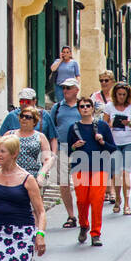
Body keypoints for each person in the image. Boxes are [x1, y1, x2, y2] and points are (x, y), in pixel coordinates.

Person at [68, 96, 116, 246]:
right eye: (82, 106)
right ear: (78, 109)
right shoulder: (73, 128)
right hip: (80, 167)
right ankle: (84, 225)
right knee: (82, 200)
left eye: (88, 106)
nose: (85, 109)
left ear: (93, 108)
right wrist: (74, 146)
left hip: (99, 167)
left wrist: (102, 142)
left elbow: (113, 148)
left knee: (97, 201)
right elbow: (68, 150)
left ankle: (96, 233)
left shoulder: (102, 126)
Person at [102, 81, 131, 215]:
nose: (122, 97)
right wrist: (111, 124)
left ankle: (127, 204)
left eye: (124, 94)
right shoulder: (109, 107)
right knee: (117, 174)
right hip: (114, 143)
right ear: (115, 94)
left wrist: (129, 123)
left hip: (129, 142)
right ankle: (118, 198)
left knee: (125, 172)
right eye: (119, 94)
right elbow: (103, 126)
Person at [51, 79, 84, 228]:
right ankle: (71, 216)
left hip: (80, 150)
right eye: (64, 88)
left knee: (80, 184)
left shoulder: (82, 106)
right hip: (61, 148)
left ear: (76, 90)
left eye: (69, 88)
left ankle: (83, 214)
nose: (65, 90)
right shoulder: (57, 107)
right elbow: (52, 128)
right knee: (63, 184)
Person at [14, 109, 54, 185]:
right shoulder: (10, 134)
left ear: (34, 122)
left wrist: (41, 175)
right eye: (22, 116)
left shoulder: (40, 136)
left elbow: (47, 160)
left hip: (33, 177)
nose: (24, 119)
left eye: (28, 117)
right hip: (12, 176)